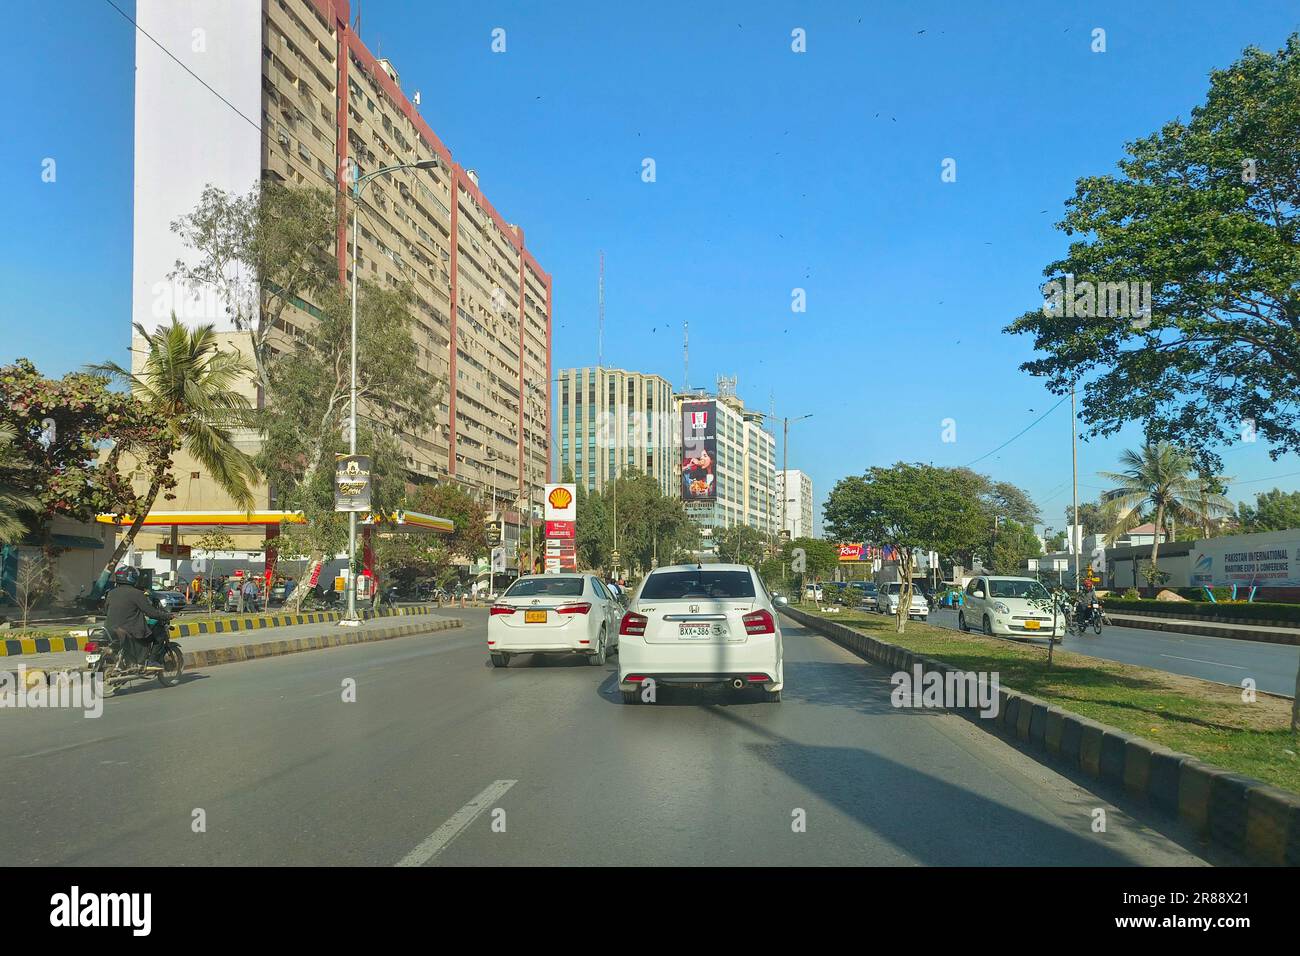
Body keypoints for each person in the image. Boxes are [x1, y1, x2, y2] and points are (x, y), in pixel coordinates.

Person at [104, 566, 173, 667]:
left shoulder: (111, 593)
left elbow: (106, 610)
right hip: (130, 630)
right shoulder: (137, 593)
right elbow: (151, 612)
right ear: (133, 578)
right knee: (159, 633)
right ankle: (152, 661)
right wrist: (167, 616)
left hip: (110, 628)